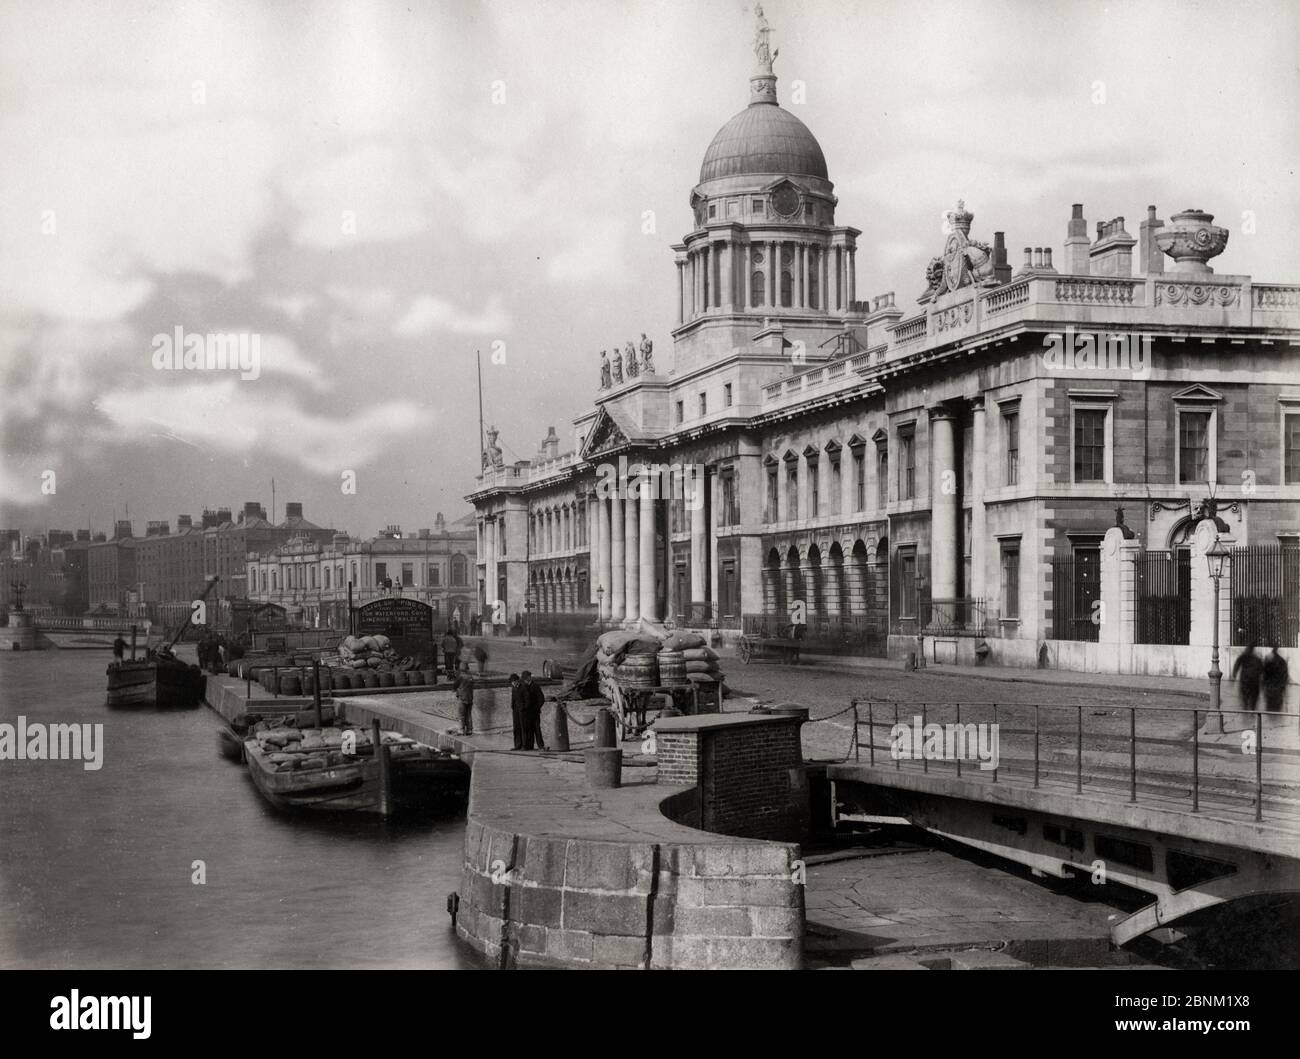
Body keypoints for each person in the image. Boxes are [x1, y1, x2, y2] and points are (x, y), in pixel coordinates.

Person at [1231, 641, 1263, 710]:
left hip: (1245, 680)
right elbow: (1261, 669)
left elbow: (1237, 665)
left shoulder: (1244, 655)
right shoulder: (1256, 657)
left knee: (1245, 698)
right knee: (1253, 700)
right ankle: (1251, 709)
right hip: (1253, 682)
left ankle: (1246, 709)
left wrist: (1234, 675)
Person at [520, 670, 546, 751]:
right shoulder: (524, 686)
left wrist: (537, 708)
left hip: (535, 712)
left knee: (537, 729)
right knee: (529, 729)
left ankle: (541, 746)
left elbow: (541, 699)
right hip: (527, 713)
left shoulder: (535, 686)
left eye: (526, 678)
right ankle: (529, 746)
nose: (524, 680)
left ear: (529, 677)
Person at [1262, 642, 1290, 712]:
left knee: (1270, 705)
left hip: (1271, 686)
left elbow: (1264, 672)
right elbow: (1285, 674)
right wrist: (1283, 685)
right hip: (1277, 686)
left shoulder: (1268, 659)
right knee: (1276, 705)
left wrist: (1264, 684)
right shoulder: (1281, 660)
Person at [455, 663, 476, 735]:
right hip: (470, 698)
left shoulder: (460, 677)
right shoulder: (471, 677)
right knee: (468, 714)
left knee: (461, 714)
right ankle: (469, 729)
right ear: (467, 668)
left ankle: (461, 729)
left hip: (462, 698)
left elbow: (455, 686)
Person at [508, 673, 525, 750]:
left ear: (517, 681)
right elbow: (513, 698)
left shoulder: (523, 688)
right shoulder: (513, 688)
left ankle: (524, 745)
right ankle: (517, 745)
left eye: (514, 681)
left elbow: (527, 699)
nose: (513, 683)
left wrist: (524, 708)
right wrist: (512, 707)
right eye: (512, 682)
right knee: (516, 728)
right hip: (515, 710)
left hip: (522, 710)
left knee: (523, 728)